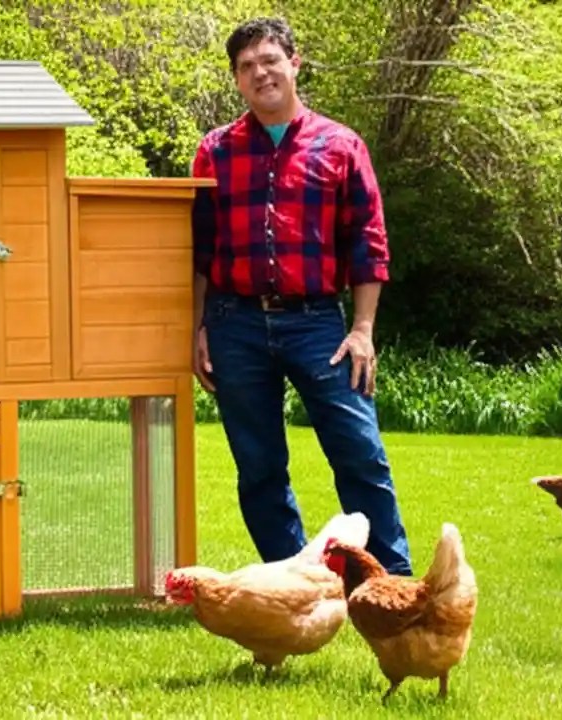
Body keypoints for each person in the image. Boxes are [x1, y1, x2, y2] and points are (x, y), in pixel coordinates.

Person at [189, 16, 414, 576]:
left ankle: (392, 587)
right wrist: (196, 329)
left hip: (319, 325)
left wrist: (362, 330)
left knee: (360, 455)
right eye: (246, 67)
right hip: (233, 323)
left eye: (269, 60)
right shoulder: (214, 152)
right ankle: (294, 585)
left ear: (295, 63)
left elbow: (369, 241)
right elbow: (197, 250)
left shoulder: (341, 145)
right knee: (259, 466)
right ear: (237, 81)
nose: (260, 73)